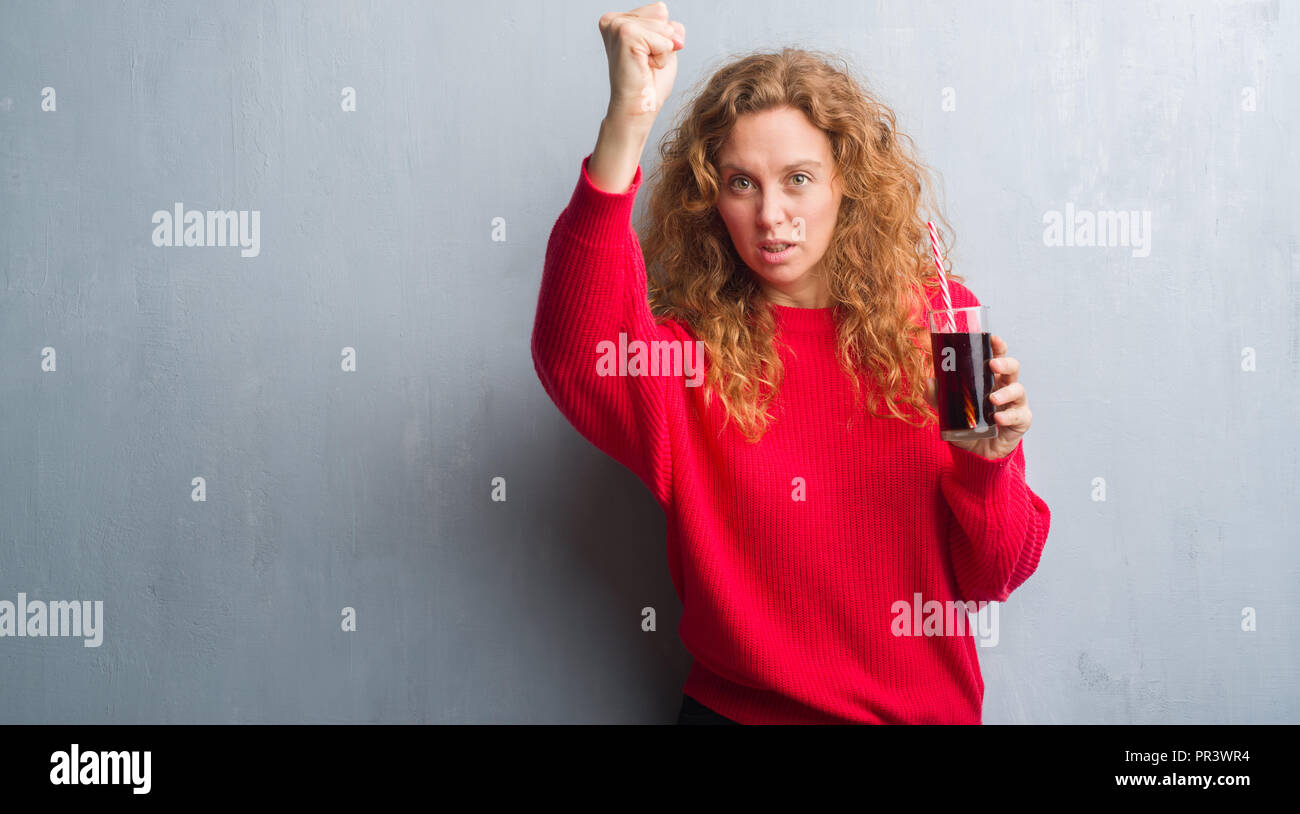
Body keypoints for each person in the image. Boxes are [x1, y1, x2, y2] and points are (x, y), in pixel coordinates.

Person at [531, 1, 1051, 725]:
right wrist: (626, 123)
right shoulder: (692, 361)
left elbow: (995, 576)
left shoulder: (941, 325)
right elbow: (572, 356)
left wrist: (986, 464)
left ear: (848, 184)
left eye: (799, 178)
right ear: (713, 200)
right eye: (742, 183)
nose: (771, 213)